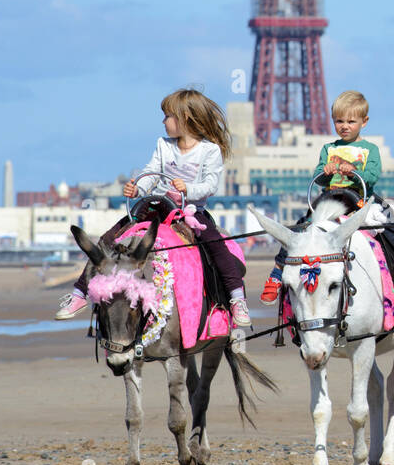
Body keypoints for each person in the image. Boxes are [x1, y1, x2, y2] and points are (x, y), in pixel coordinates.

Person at [55, 89, 251, 326]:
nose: (163, 121)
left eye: (168, 116)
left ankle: (236, 298)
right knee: (108, 240)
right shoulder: (163, 144)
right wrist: (137, 189)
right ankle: (79, 294)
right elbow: (150, 173)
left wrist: (188, 188)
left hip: (191, 212)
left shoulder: (210, 150)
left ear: (185, 117)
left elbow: (210, 185)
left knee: (215, 246)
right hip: (157, 207)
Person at [261, 91, 394, 304]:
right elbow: (317, 178)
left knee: (387, 221)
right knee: (299, 231)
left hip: (360, 198)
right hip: (330, 201)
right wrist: (326, 172)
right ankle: (277, 275)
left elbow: (372, 176)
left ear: (364, 122)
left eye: (351, 121)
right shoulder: (329, 148)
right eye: (339, 121)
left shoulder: (370, 149)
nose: (344, 126)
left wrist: (353, 171)